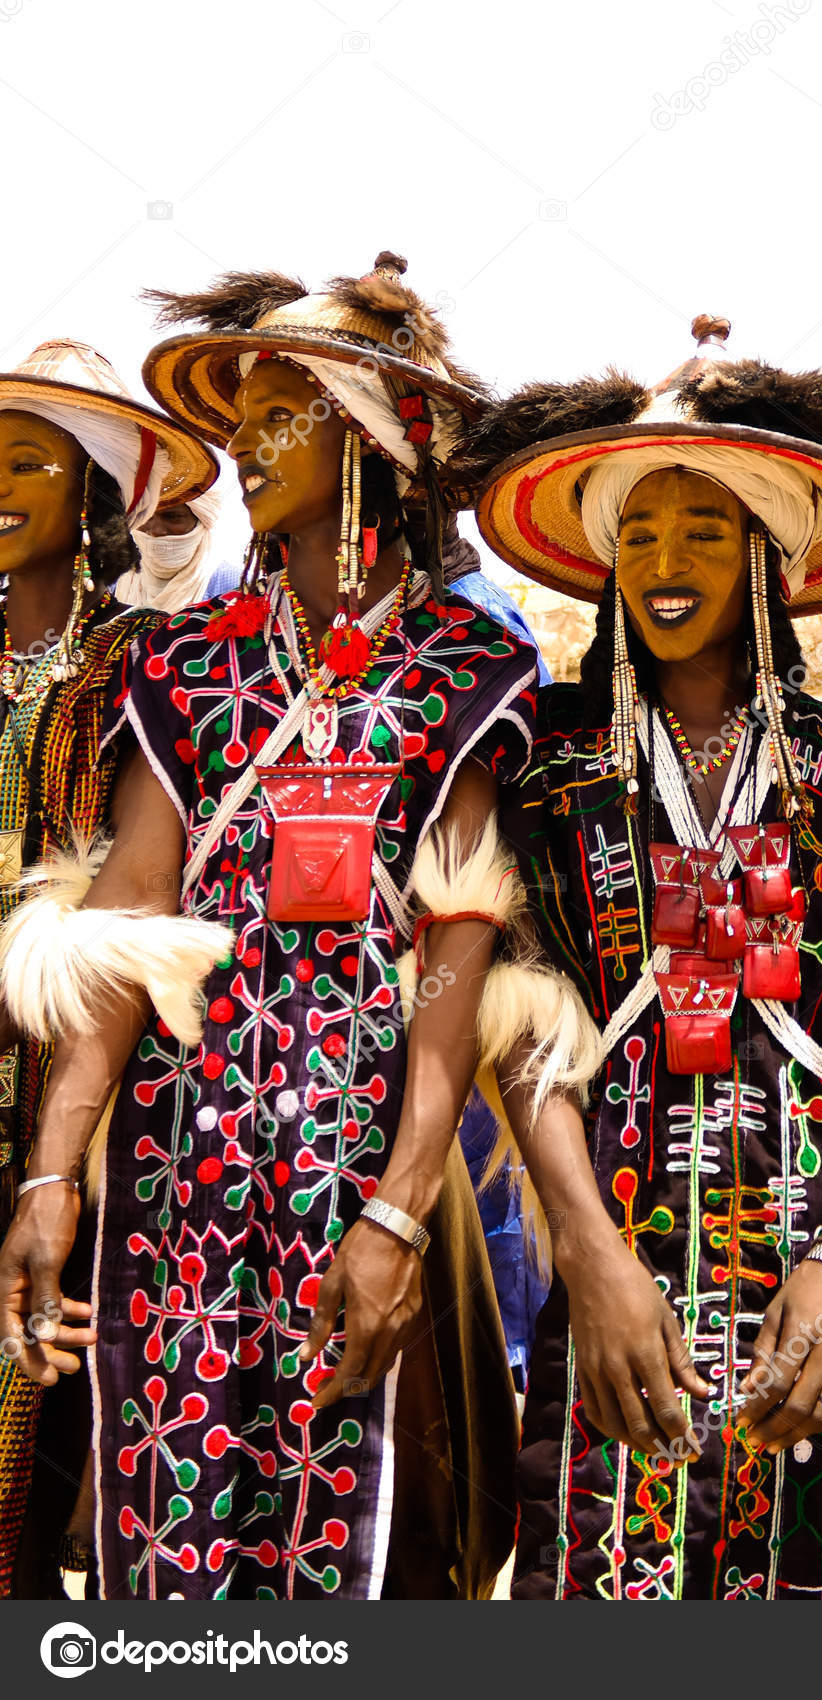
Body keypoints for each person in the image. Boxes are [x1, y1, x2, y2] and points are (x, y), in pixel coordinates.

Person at [0, 254, 538, 1600]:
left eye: (286, 409)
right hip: (181, 1184)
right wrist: (55, 1174)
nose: (248, 443)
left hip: (362, 1168)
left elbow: (455, 964)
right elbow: (124, 926)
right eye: (243, 412)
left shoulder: (466, 671)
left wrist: (404, 1213)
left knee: (366, 1551)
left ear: (373, 438)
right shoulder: (186, 667)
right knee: (172, 1553)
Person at [445, 314, 822, 1599]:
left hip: (814, 1299)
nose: (665, 558)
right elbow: (519, 1021)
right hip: (615, 1288)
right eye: (640, 532)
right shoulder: (544, 767)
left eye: (705, 529)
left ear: (766, 554)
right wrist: (589, 1258)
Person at [0, 339, 216, 1596]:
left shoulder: (149, 662)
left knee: (32, 1405)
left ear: (93, 497)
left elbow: (141, 892)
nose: (2, 483)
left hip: (76, 1076)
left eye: (30, 460)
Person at [119, 478, 227, 611]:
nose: (156, 531)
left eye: (173, 517)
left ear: (200, 522)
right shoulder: (113, 583)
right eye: (146, 517)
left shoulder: (232, 588)